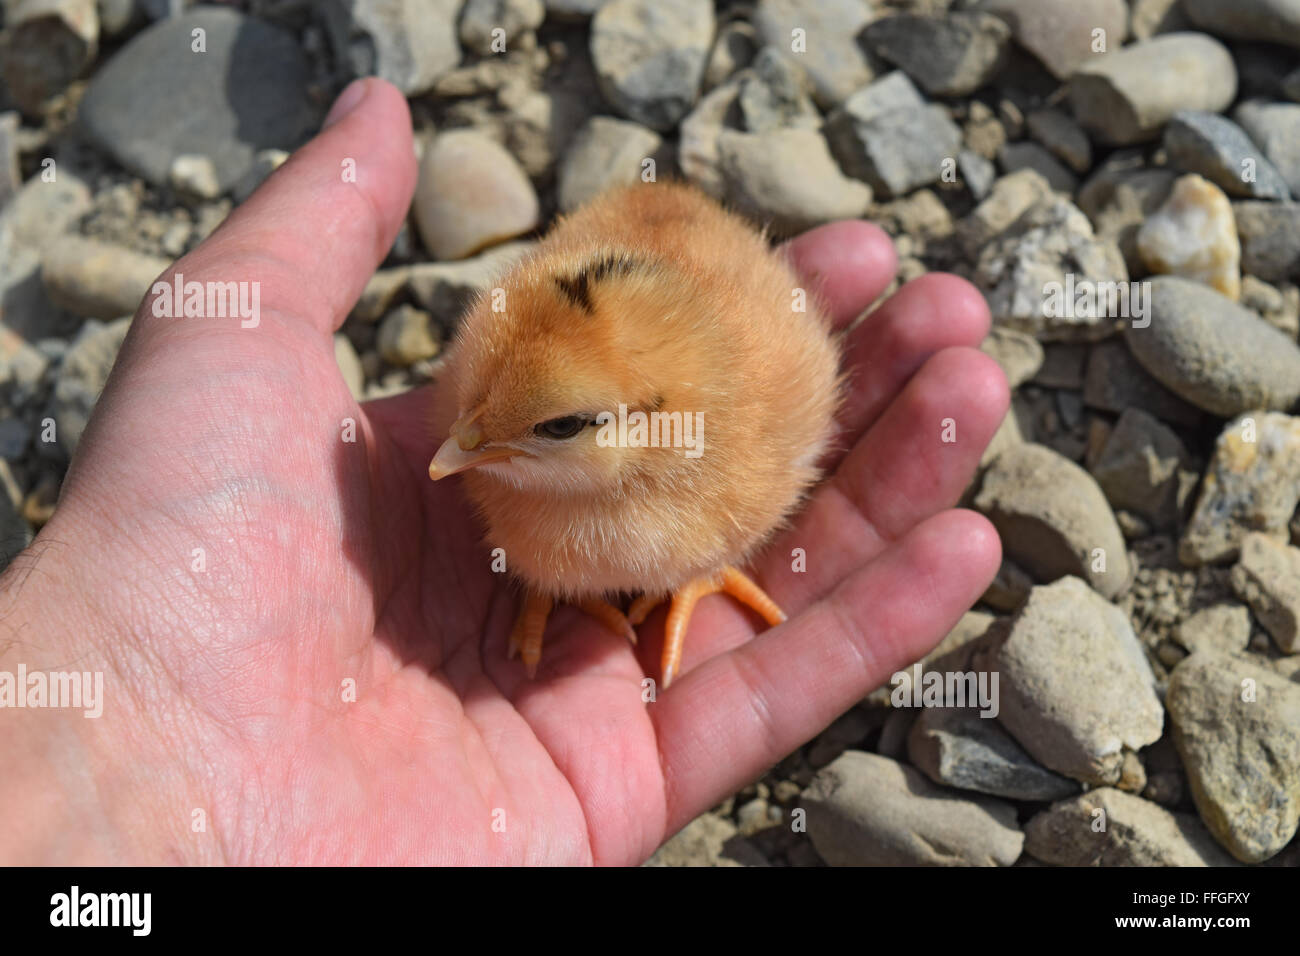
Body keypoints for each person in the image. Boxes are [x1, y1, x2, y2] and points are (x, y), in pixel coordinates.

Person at [0, 79, 1008, 864]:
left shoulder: (728, 450)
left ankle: (678, 568)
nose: (456, 448)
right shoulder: (503, 381)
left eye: (552, 428)